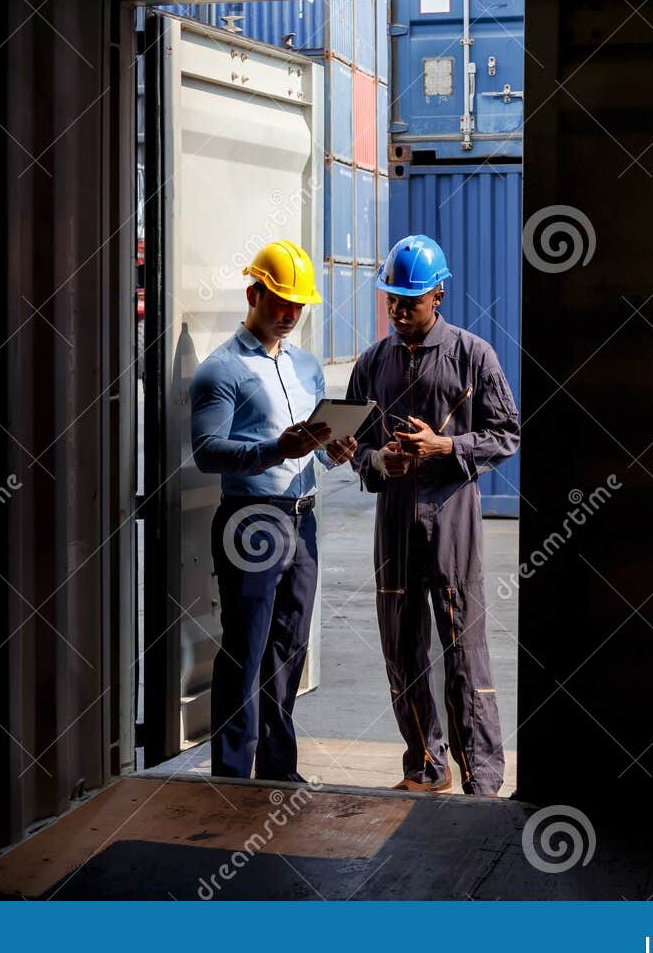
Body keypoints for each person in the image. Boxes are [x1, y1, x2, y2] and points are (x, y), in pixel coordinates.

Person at [345, 235, 520, 796]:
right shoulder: (372, 365)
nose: (397, 311)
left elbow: (507, 434)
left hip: (452, 524)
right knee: (401, 648)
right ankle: (425, 764)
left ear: (438, 294)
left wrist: (445, 449)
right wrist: (377, 460)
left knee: (463, 651)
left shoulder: (474, 356)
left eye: (410, 301)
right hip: (394, 523)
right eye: (391, 299)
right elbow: (357, 451)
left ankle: (482, 778)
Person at [189, 239, 356, 781]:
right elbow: (206, 452)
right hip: (251, 518)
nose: (290, 314)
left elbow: (309, 444)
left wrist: (333, 451)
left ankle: (278, 771)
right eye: (280, 301)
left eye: (298, 305)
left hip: (301, 517)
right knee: (245, 648)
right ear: (252, 293)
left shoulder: (307, 367)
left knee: (288, 648)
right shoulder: (222, 371)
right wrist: (273, 450)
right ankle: (233, 776)